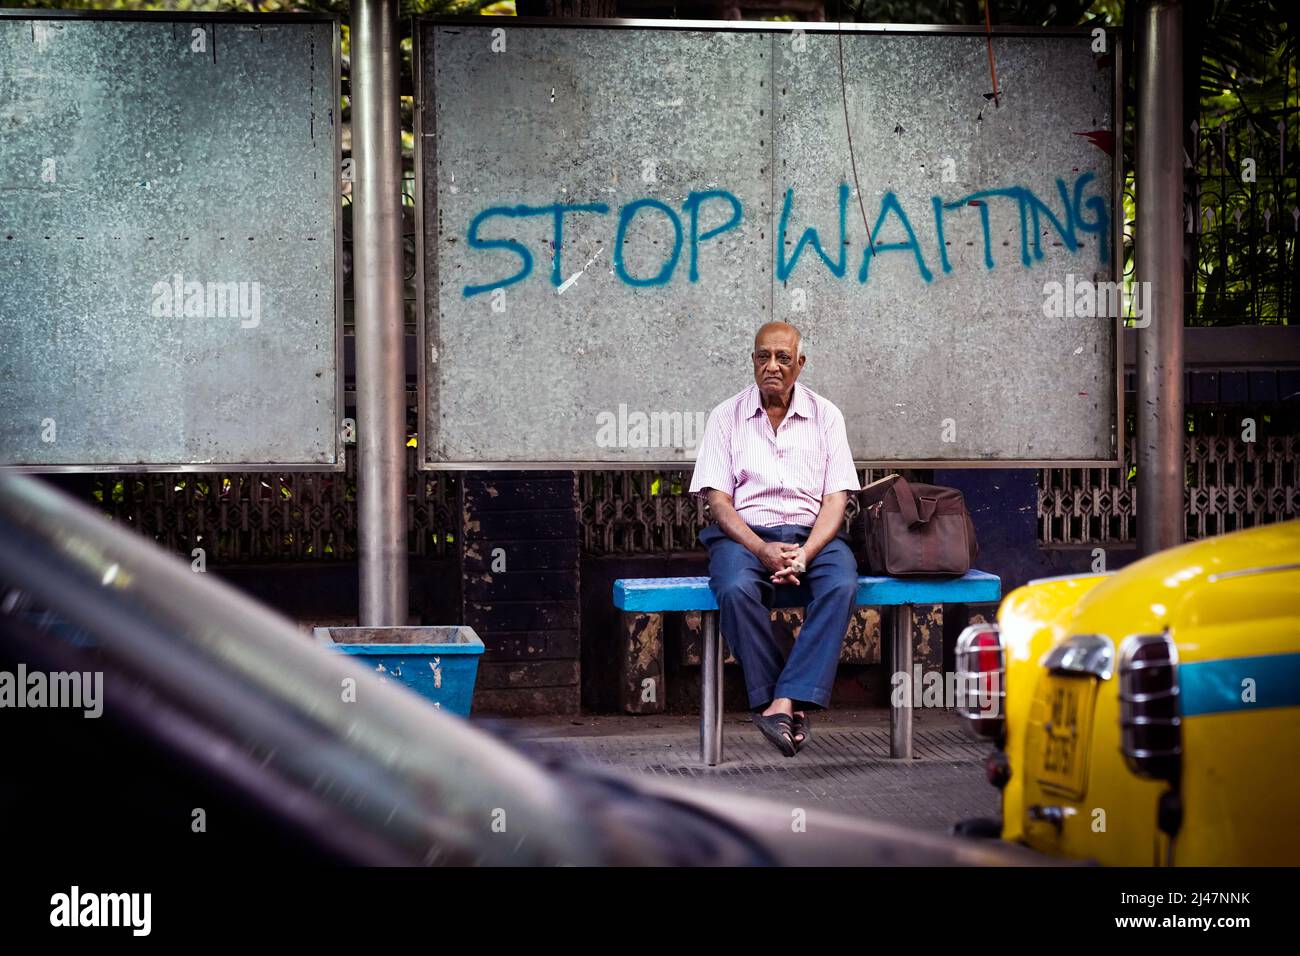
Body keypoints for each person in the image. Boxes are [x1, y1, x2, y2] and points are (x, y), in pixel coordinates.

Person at [688, 321, 861, 757]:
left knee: (841, 583)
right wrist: (760, 549)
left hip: (811, 535)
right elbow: (719, 501)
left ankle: (781, 702)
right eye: (763, 356)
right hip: (747, 537)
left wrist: (806, 552)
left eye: (783, 357)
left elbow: (836, 499)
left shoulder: (828, 416)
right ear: (752, 361)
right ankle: (780, 699)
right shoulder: (726, 416)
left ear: (800, 364)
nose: (772, 366)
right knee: (734, 587)